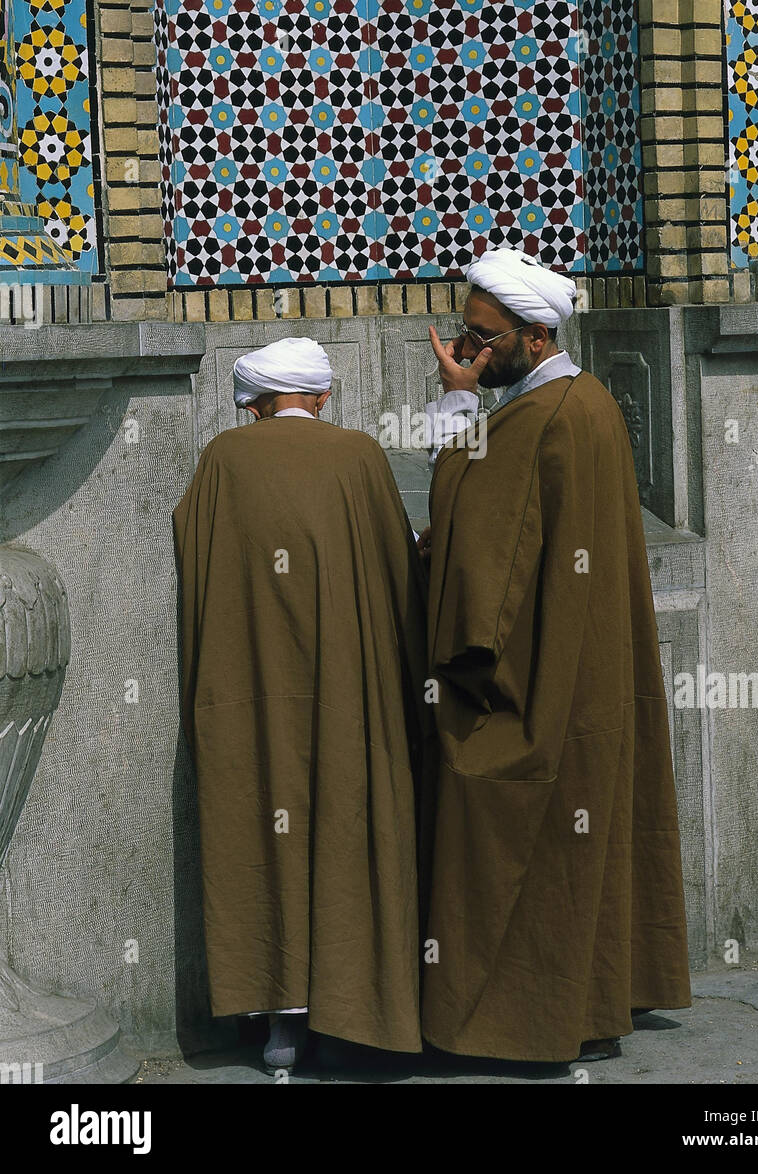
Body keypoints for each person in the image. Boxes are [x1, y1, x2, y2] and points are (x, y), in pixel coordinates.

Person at [417, 248, 692, 1063]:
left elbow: (470, 541)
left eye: (481, 337)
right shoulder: (592, 403)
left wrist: (452, 405)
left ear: (533, 338)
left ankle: (512, 1020)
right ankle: (589, 1001)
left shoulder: (539, 417)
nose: (467, 351)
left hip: (541, 679)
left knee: (508, 822)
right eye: (465, 336)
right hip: (582, 665)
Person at [173, 336, 431, 1074]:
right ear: (321, 397)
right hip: (352, 692)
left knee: (266, 835)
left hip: (253, 692)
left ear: (253, 403)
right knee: (351, 831)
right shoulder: (357, 456)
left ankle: (281, 1023)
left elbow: (196, 550)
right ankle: (361, 1008)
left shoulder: (225, 458)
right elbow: (393, 567)